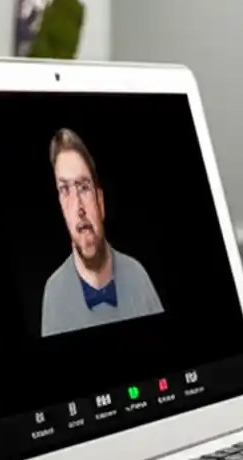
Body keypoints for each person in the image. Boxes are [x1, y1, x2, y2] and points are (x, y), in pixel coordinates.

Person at [40, 128, 164, 337]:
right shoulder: (54, 295)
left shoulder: (137, 274)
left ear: (100, 201)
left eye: (83, 187)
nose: (78, 207)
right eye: (65, 190)